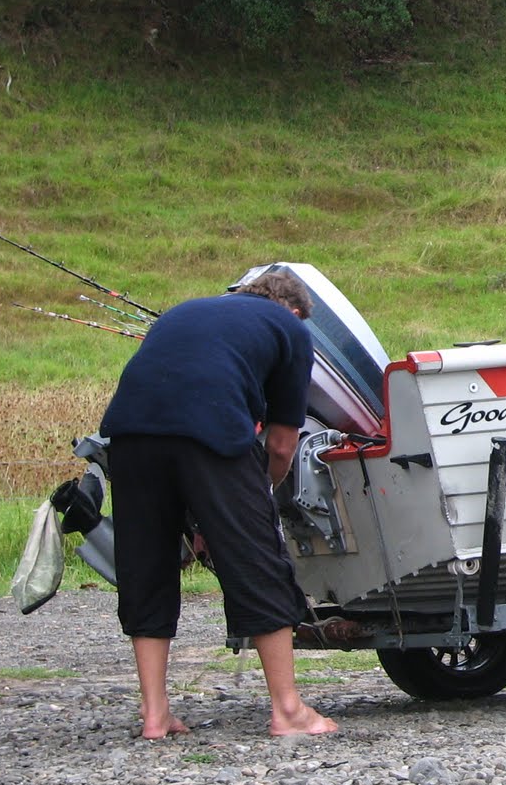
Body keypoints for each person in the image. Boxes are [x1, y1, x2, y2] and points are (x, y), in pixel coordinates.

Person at [99, 271, 338, 739]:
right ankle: (288, 711)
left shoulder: (187, 309)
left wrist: (206, 513)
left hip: (129, 436)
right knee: (257, 561)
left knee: (145, 564)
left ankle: (154, 714)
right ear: (294, 310)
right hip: (211, 433)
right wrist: (258, 495)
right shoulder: (290, 328)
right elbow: (283, 445)